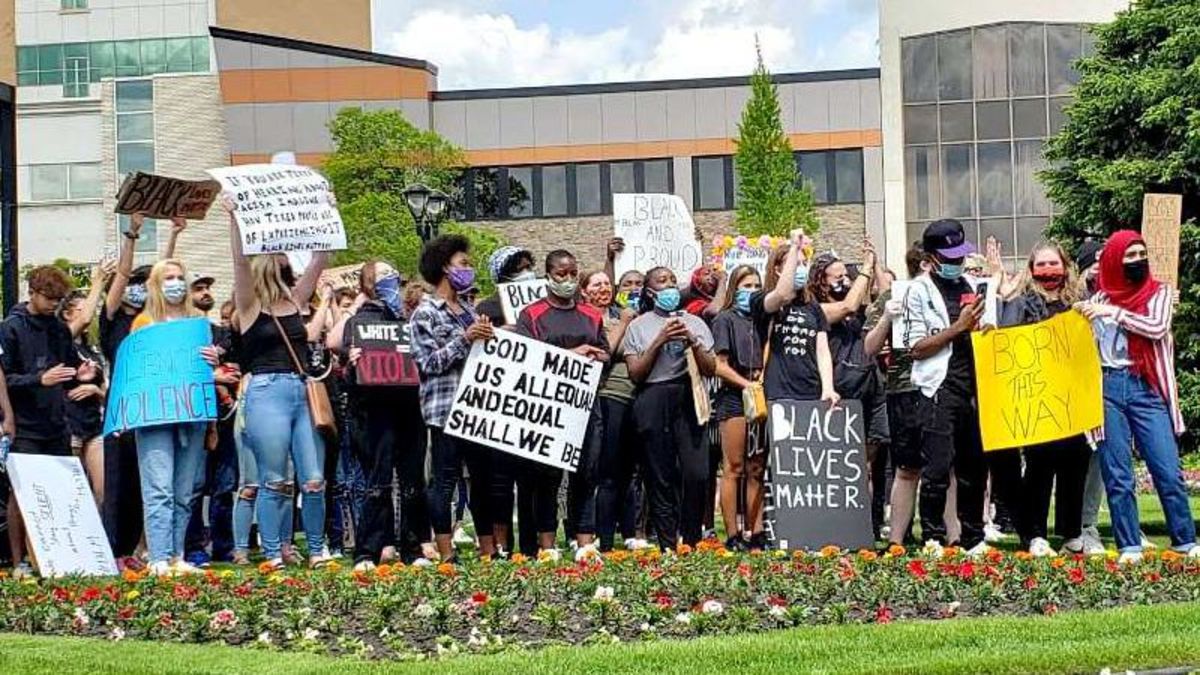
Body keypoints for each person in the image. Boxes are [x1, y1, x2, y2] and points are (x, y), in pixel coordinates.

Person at [1076, 230, 1199, 563]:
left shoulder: (1159, 292)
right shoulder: (1098, 300)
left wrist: (1114, 314)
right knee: (1117, 471)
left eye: (1141, 254)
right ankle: (1129, 544)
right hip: (1108, 386)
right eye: (1128, 256)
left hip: (1146, 386)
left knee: (1167, 468)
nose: (1136, 261)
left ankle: (1185, 540)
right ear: (1115, 261)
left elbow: (1157, 327)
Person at [226, 198, 333, 570]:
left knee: (314, 478)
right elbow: (239, 263)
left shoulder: (295, 299)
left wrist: (325, 214)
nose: (285, 264)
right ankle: (273, 553)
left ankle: (317, 550)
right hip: (266, 391)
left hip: (299, 389)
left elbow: (320, 261)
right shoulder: (249, 305)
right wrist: (235, 220)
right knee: (274, 479)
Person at [329, 261, 432, 570]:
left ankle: (412, 548)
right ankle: (367, 551)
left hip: (409, 407)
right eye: (385, 275)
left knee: (413, 480)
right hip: (373, 411)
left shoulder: (410, 319)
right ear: (369, 284)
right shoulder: (359, 321)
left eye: (394, 276)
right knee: (378, 482)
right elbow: (341, 356)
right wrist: (352, 359)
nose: (393, 280)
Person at [507, 251, 608, 558]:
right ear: (549, 275)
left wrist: (598, 355)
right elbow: (525, 358)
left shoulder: (592, 315)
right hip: (548, 409)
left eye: (573, 273)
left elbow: (605, 350)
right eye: (561, 274)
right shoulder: (532, 314)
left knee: (586, 475)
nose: (567, 280)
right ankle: (547, 545)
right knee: (546, 478)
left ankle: (585, 543)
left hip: (586, 406)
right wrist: (570, 355)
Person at [1, 265, 96, 577]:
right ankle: (19, 561)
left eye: (58, 300)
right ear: (33, 292)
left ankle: (58, 556)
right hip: (24, 423)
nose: (54, 304)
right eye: (49, 298)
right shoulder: (12, 327)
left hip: (56, 422)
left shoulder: (56, 330)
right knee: (21, 490)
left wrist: (78, 375)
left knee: (59, 488)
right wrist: (40, 379)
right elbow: (6, 377)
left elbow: (66, 370)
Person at [128, 259, 222, 576]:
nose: (176, 283)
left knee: (185, 490)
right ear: (156, 284)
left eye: (180, 277)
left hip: (191, 413)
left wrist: (213, 359)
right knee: (159, 489)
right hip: (154, 416)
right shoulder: (144, 323)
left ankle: (176, 554)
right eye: (169, 278)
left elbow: (205, 375)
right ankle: (157, 557)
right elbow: (134, 370)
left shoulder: (199, 325)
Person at [996, 242, 1090, 556]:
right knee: (1040, 465)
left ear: (1065, 266)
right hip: (1036, 397)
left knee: (1076, 461)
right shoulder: (1022, 302)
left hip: (1072, 395)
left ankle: (1072, 533)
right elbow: (1007, 337)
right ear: (1032, 269)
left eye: (1054, 264)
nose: (1048, 271)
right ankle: (1034, 534)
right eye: (1042, 265)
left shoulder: (1079, 301)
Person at [901, 218, 989, 556]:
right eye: (949, 257)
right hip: (938, 387)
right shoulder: (917, 291)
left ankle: (973, 536)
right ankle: (933, 536)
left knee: (974, 467)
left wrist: (982, 328)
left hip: (974, 387)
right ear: (932, 257)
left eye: (959, 256)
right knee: (937, 467)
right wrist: (959, 327)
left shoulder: (973, 285)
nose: (957, 263)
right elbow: (916, 347)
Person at [410, 234, 498, 561]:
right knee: (444, 480)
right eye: (463, 263)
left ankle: (489, 549)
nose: (469, 269)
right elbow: (428, 363)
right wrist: (465, 339)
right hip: (445, 409)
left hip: (477, 407)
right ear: (445, 268)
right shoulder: (425, 313)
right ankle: (447, 553)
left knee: (483, 480)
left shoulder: (468, 311)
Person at [622, 266, 716, 549]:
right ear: (651, 291)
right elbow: (636, 373)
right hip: (653, 396)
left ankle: (691, 538)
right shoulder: (638, 326)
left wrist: (692, 342)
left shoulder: (695, 322)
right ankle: (666, 542)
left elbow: (711, 367)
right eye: (662, 282)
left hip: (688, 394)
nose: (670, 286)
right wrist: (661, 339)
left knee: (696, 472)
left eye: (673, 280)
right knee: (659, 473)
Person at [806, 243, 890, 533]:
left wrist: (875, 264)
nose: (844, 281)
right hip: (842, 392)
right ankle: (844, 523)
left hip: (871, 389)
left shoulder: (862, 309)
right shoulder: (816, 310)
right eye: (836, 276)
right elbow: (848, 305)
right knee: (847, 464)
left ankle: (871, 520)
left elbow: (887, 293)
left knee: (871, 463)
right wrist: (864, 268)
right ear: (820, 280)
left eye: (846, 275)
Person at [582, 270, 647, 551]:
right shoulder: (590, 318)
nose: (604, 288)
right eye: (598, 284)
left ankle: (630, 533)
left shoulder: (631, 313)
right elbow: (605, 351)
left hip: (636, 397)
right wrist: (623, 323)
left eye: (607, 283)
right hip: (609, 397)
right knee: (608, 471)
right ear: (585, 291)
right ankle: (605, 538)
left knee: (630, 471)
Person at [710, 265, 765, 550]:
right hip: (734, 397)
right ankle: (732, 534)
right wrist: (746, 384)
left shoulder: (763, 319)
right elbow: (719, 365)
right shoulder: (724, 319)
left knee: (757, 467)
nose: (752, 292)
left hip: (761, 397)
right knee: (734, 467)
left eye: (756, 286)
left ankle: (756, 532)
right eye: (746, 287)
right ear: (735, 289)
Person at [57, 262, 114, 508]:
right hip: (70, 425)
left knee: (103, 488)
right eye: (79, 310)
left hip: (94, 424)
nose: (87, 315)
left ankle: (103, 539)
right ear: (68, 314)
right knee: (73, 491)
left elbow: (104, 388)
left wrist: (96, 391)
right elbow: (86, 318)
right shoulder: (61, 340)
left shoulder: (92, 349)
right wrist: (98, 281)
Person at [476, 246, 536, 327]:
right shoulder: (487, 309)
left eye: (528, 267)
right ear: (503, 277)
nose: (527, 273)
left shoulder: (544, 299)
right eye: (519, 270)